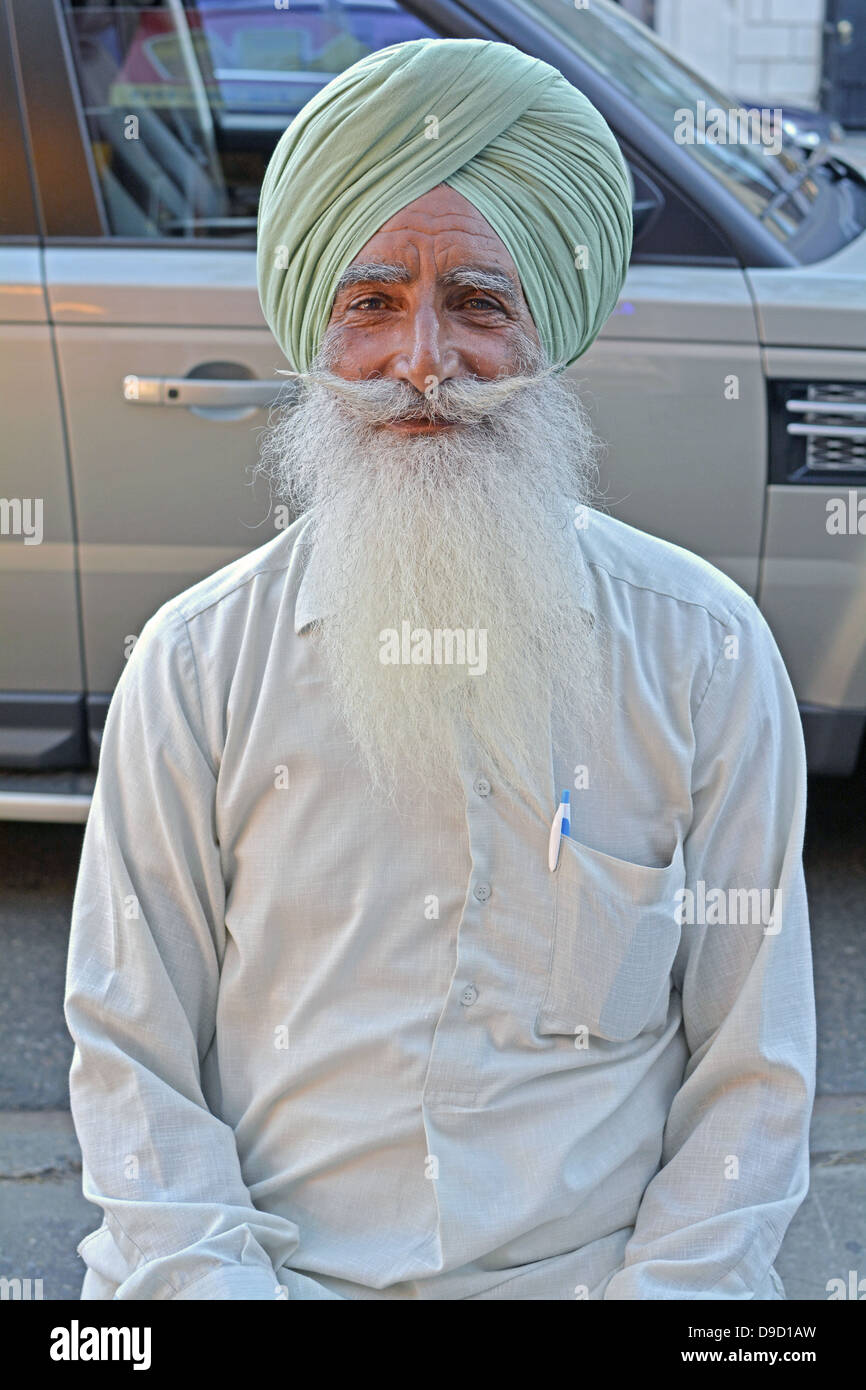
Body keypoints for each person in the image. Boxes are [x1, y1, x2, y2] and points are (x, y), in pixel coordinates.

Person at [65, 37, 815, 1301]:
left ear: (550, 332)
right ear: (316, 332)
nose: (423, 362)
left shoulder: (703, 650)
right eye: (369, 304)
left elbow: (751, 1080)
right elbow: (131, 1065)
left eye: (477, 302)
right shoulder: (196, 665)